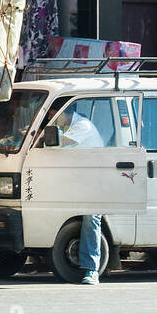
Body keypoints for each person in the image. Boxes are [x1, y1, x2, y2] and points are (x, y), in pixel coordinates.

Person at [52, 107, 107, 284]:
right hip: (79, 179)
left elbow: (63, 142)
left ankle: (92, 270)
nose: (52, 119)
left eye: (54, 115)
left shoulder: (83, 126)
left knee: (91, 219)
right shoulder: (68, 126)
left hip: (94, 180)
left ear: (64, 114)